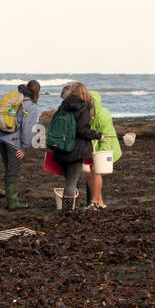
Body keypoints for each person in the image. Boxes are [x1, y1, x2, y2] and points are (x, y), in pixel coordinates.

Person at [48, 81, 101, 212]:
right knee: (71, 182)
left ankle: (68, 208)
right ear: (85, 93)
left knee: (69, 181)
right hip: (75, 150)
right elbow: (82, 130)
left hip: (60, 148)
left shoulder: (63, 106)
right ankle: (67, 211)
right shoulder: (83, 108)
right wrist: (98, 135)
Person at [0, 81, 40, 210]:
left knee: (9, 170)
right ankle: (13, 203)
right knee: (13, 172)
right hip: (14, 142)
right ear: (37, 92)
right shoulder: (31, 106)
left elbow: (10, 116)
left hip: (1, 138)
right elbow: (28, 128)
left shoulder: (16, 102)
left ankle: (10, 202)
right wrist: (25, 147)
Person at [85, 89, 122, 210]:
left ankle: (95, 202)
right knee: (88, 172)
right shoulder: (86, 113)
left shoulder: (102, 115)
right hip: (93, 147)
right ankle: (99, 202)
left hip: (107, 147)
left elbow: (106, 136)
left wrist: (99, 155)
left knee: (96, 170)